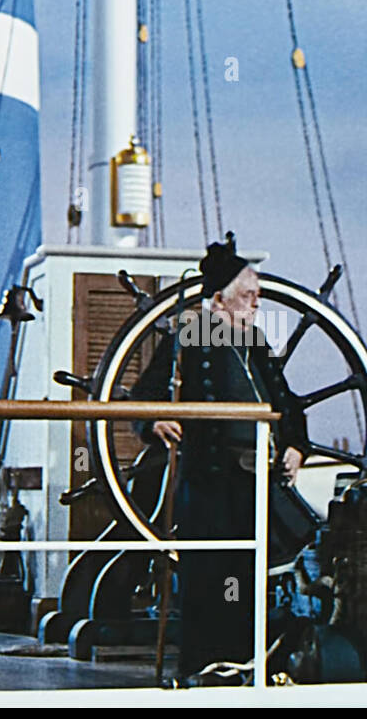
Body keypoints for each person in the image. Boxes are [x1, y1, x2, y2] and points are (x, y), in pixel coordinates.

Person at [132, 238, 309, 683]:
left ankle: (255, 661)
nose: (256, 303)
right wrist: (154, 423)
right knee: (211, 575)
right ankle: (205, 667)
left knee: (260, 573)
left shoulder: (255, 341)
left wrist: (295, 445)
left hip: (259, 482)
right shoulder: (188, 335)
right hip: (211, 480)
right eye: (248, 296)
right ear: (217, 299)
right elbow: (144, 397)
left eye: (257, 295)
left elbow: (285, 403)